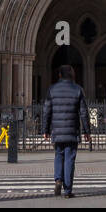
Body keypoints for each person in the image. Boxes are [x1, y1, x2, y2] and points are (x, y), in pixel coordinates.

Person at [42, 65, 89, 198]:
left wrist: (45, 130)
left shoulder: (52, 89)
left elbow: (46, 111)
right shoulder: (78, 89)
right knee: (69, 159)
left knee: (58, 155)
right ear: (72, 75)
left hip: (57, 130)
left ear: (59, 75)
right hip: (72, 130)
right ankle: (67, 190)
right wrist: (87, 131)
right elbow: (84, 113)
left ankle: (58, 179)